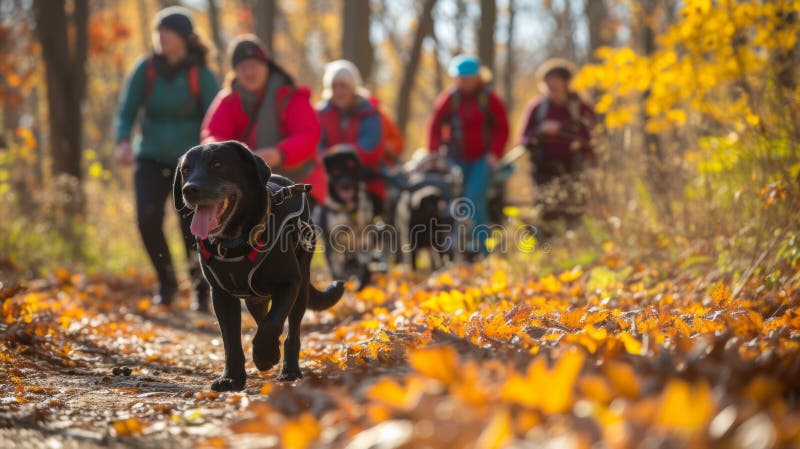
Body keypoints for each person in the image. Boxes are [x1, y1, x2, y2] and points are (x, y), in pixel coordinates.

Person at [115, 6, 220, 310]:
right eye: (158, 31)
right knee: (147, 218)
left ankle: (201, 288)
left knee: (193, 227)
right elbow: (126, 111)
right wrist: (123, 141)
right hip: (149, 156)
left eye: (168, 31)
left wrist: (214, 158)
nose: (161, 36)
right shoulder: (144, 69)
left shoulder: (201, 75)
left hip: (191, 164)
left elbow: (215, 120)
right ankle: (167, 282)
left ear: (184, 37)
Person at [201, 35, 326, 206]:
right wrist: (234, 155)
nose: (250, 72)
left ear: (266, 66)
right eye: (243, 67)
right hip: (249, 184)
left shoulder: (290, 94)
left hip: (299, 182)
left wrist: (279, 154)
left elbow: (309, 134)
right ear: (235, 72)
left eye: (254, 65)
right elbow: (213, 135)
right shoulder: (228, 100)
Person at [427, 54, 509, 256]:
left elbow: (502, 128)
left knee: (473, 199)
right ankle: (453, 251)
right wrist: (435, 153)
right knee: (452, 201)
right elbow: (435, 127)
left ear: (477, 77)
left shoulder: (488, 98)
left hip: (482, 159)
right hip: (454, 159)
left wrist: (495, 154)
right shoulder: (449, 98)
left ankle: (484, 251)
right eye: (460, 78)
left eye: (468, 78)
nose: (464, 82)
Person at [519, 58, 596, 226]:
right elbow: (524, 138)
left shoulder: (580, 107)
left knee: (575, 212)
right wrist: (541, 131)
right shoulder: (537, 108)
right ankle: (547, 248)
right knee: (546, 213)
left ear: (567, 82)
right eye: (549, 81)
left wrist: (562, 129)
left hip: (574, 168)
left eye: (557, 81)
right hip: (543, 169)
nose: (553, 85)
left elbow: (592, 136)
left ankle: (575, 248)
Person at [317, 60, 385, 215]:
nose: (339, 91)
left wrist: (340, 153)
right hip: (328, 177)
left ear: (353, 87)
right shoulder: (320, 114)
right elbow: (316, 147)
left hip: (365, 177)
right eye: (335, 86)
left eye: (344, 86)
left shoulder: (369, 112)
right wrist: (330, 159)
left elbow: (370, 148)